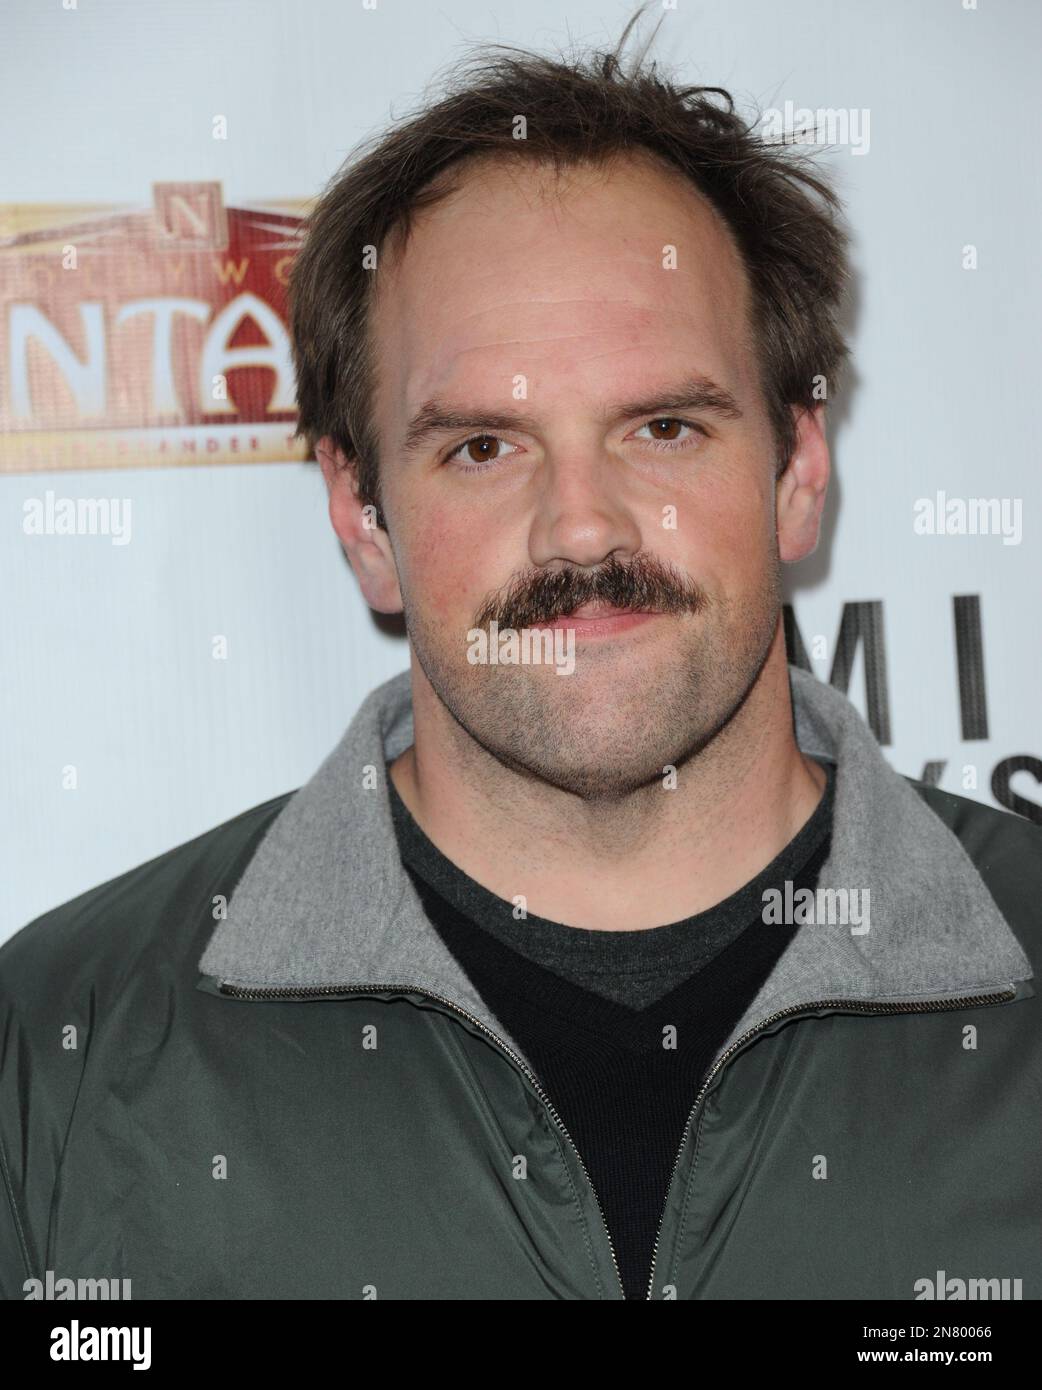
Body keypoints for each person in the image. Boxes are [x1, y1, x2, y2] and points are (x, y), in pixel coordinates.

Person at [2, 11, 1039, 1302]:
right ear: (360, 517)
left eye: (662, 426)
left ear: (797, 471)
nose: (583, 526)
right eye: (481, 447)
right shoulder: (65, 1046)